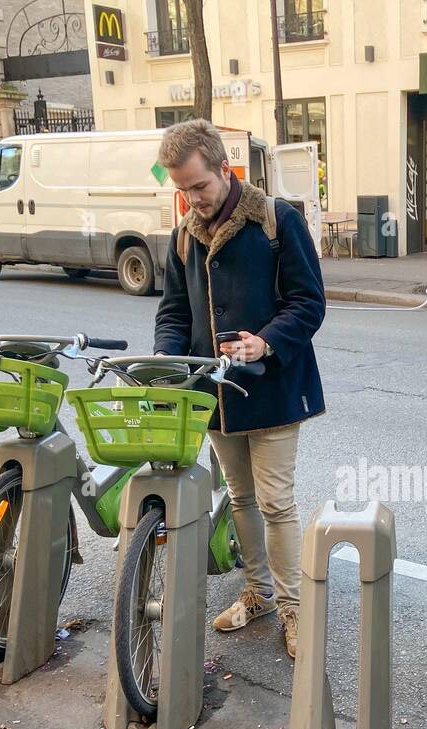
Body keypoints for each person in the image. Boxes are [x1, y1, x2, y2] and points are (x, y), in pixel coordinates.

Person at [153, 119, 326, 659]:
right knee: (241, 497)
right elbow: (174, 311)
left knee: (276, 501)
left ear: (224, 169)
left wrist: (266, 343)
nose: (192, 200)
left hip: (272, 388)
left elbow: (309, 302)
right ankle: (259, 592)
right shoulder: (184, 235)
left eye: (199, 187)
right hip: (216, 396)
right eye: (181, 190)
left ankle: (294, 606)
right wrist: (166, 357)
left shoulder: (277, 220)